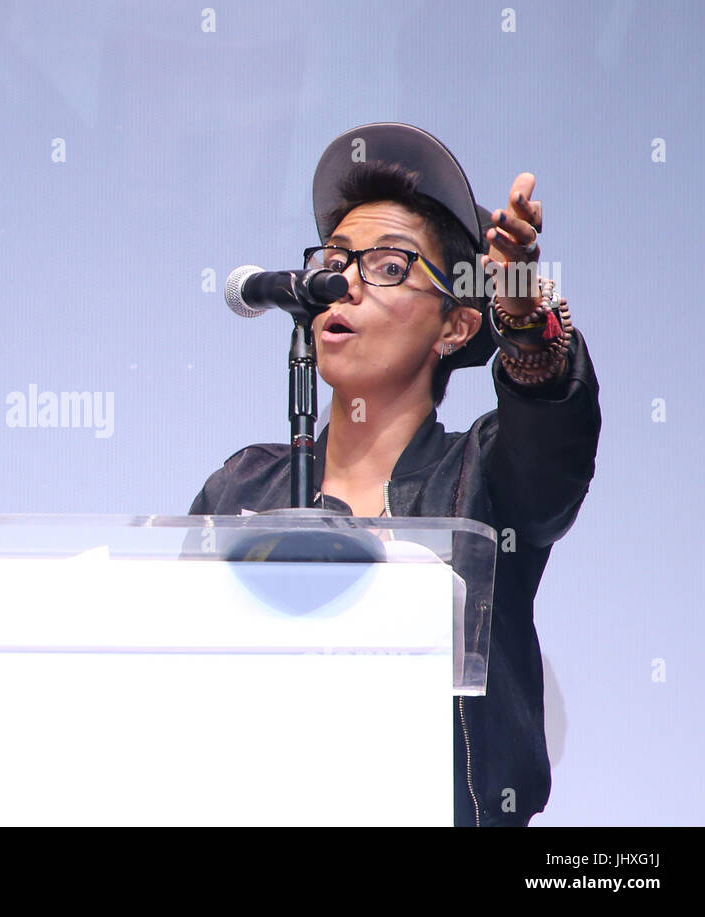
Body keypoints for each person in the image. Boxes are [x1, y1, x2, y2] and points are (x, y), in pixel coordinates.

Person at [191, 123, 601, 826]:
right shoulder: (241, 489)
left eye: (387, 267)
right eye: (335, 259)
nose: (341, 283)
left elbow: (551, 434)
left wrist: (526, 322)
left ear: (456, 326)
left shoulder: (483, 478)